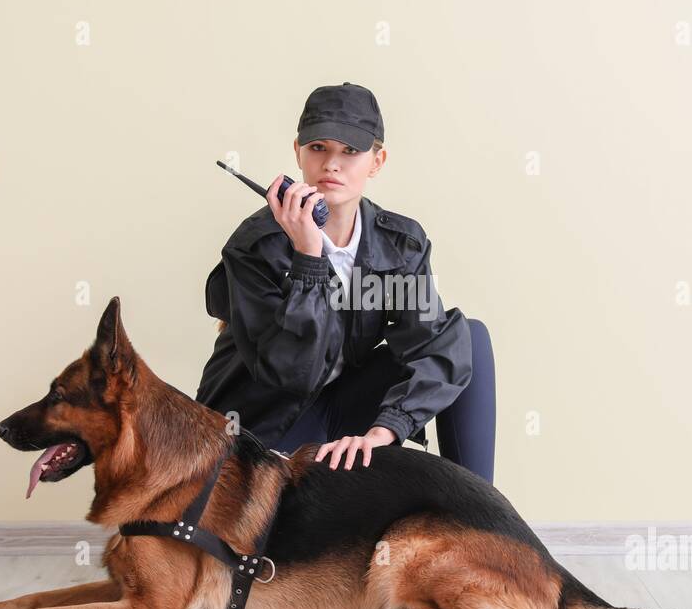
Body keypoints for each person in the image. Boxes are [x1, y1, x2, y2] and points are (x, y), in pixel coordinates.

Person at [196, 82, 496, 482]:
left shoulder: (400, 245)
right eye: (318, 147)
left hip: (338, 415)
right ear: (298, 153)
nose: (331, 164)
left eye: (350, 151)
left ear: (377, 160)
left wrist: (383, 430)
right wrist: (308, 257)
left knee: (467, 339)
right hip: (260, 432)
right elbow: (294, 375)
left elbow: (431, 346)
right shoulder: (256, 247)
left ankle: (477, 513)